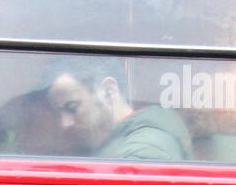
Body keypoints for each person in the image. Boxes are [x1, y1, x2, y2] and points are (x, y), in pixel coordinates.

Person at [44, 55, 192, 162]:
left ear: (109, 90)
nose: (65, 123)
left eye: (72, 107)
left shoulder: (144, 151)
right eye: (58, 113)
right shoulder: (124, 143)